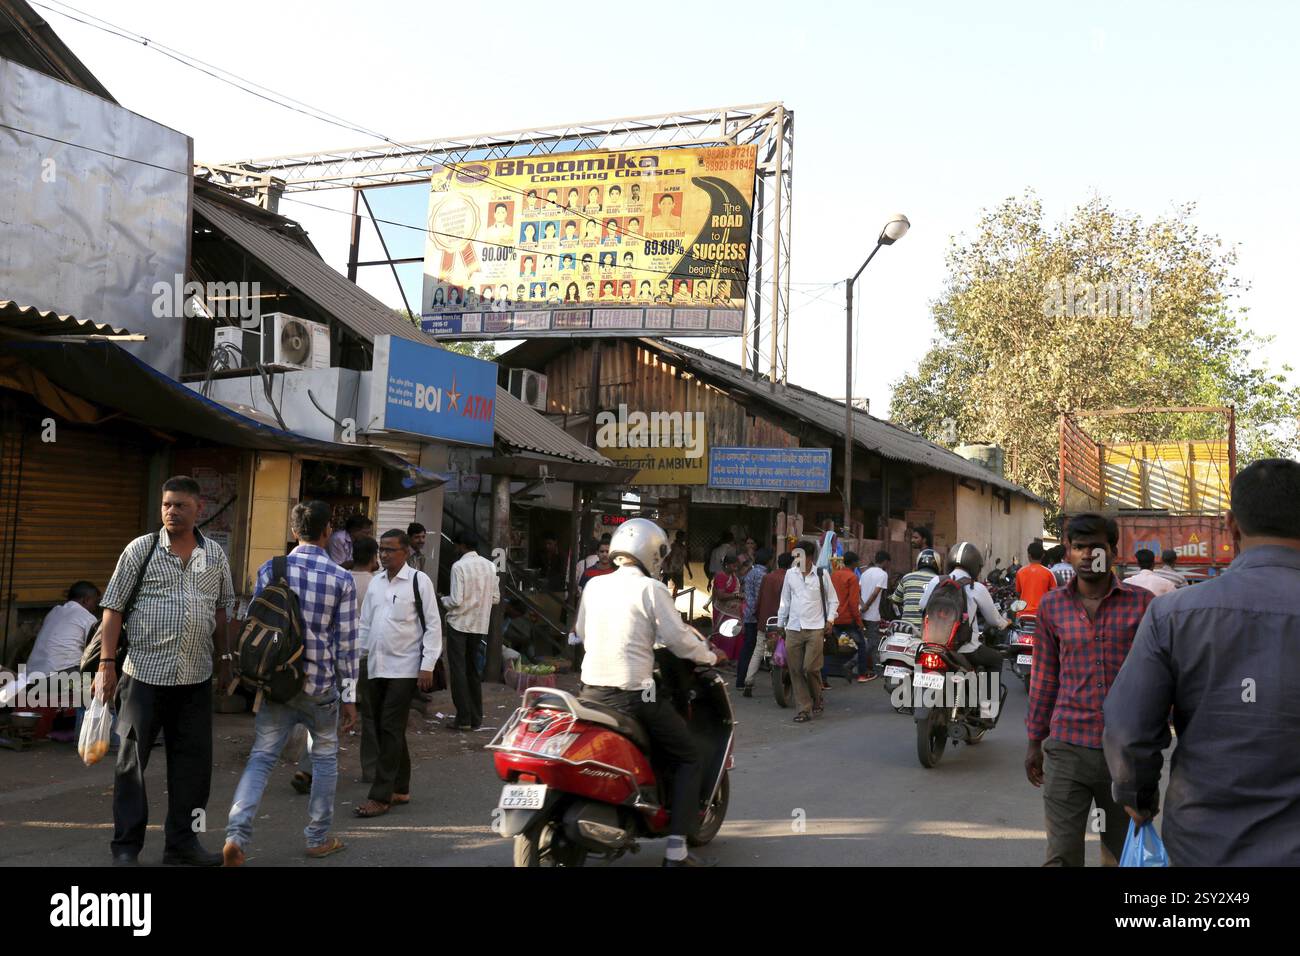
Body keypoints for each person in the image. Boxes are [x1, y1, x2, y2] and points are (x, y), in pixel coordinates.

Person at [1104, 459, 1300, 865]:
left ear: (1230, 526)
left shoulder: (1174, 614)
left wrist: (1139, 796)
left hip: (1205, 844)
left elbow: (1128, 730)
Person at [97, 476, 236, 866]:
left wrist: (226, 659)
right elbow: (113, 609)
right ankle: (126, 847)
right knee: (131, 768)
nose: (172, 512)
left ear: (199, 509)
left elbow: (223, 609)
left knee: (193, 770)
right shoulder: (140, 550)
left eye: (180, 505)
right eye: (167, 505)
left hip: (195, 680)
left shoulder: (215, 557)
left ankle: (183, 846)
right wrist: (106, 665)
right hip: (143, 678)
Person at [575, 518, 725, 867]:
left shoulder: (595, 586)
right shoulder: (650, 589)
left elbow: (581, 631)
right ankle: (675, 851)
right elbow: (678, 639)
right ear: (651, 552)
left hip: (590, 694)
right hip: (634, 697)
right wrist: (710, 655)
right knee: (689, 756)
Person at [223, 501, 359, 865]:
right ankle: (317, 838)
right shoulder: (341, 578)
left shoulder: (272, 568)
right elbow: (346, 645)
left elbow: (257, 624)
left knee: (262, 758)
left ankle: (237, 833)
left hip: (278, 683)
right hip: (320, 686)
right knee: (325, 757)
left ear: (294, 530)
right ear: (327, 531)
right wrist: (350, 697)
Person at [1023, 513, 1154, 867]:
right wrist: (1035, 741)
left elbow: (1156, 679)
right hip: (1067, 749)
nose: (1086, 554)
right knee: (1061, 856)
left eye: (1095, 546)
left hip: (1124, 756)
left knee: (1119, 856)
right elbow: (1044, 678)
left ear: (1112, 550)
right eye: (1078, 547)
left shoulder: (1142, 605)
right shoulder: (1052, 606)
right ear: (1067, 552)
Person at [353, 530, 441, 818]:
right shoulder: (376, 584)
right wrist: (358, 660)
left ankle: (381, 796)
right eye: (381, 550)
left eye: (390, 550)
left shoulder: (419, 582)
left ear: (405, 552)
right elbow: (365, 625)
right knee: (381, 727)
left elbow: (433, 625)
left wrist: (427, 665)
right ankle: (401, 787)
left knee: (390, 727)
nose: (384, 555)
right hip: (375, 666)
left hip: (404, 668)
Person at [919, 542, 1010, 677]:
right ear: (975, 566)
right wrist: (1006, 623)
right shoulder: (977, 587)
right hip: (966, 649)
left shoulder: (936, 581)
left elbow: (922, 605)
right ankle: (990, 698)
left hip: (933, 646)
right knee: (996, 659)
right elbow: (994, 620)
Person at [441, 532, 500, 732]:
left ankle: (463, 717)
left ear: (462, 546)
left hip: (459, 623)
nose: (455, 549)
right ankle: (476, 717)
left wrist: (442, 600)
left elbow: (456, 600)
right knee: (473, 670)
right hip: (479, 624)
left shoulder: (458, 566)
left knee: (458, 670)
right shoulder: (490, 566)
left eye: (456, 545)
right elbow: (495, 598)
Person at [777, 539, 838, 723]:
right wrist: (780, 623)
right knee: (795, 670)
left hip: (815, 628)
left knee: (810, 668)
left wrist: (830, 619)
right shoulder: (790, 574)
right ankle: (804, 709)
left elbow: (833, 600)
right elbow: (784, 600)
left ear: (810, 557)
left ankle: (817, 697)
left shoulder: (821, 574)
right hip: (793, 627)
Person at [347, 535, 380, 784]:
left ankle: (312, 768)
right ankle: (370, 770)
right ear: (373, 557)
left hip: (340, 656)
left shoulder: (342, 578)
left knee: (333, 712)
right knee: (369, 715)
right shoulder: (377, 584)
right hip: (365, 658)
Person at [752, 552, 793, 691]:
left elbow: (759, 599)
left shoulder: (767, 577)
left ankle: (748, 680)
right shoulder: (789, 579)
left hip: (765, 620)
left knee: (758, 650)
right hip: (782, 623)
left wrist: (758, 615)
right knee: (786, 650)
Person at [830, 552, 870, 685]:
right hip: (847, 619)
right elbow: (853, 603)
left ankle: (823, 680)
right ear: (854, 563)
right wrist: (860, 623)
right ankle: (861, 674)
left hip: (833, 617)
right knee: (862, 645)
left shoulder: (834, 574)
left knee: (827, 647)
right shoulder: (852, 577)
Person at [736, 547, 772, 695]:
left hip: (750, 614)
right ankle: (744, 680)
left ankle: (742, 679)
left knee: (749, 648)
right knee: (753, 649)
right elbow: (759, 597)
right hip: (755, 616)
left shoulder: (751, 572)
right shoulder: (761, 574)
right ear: (769, 560)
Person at [856, 550, 890, 680]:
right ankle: (852, 663)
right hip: (872, 614)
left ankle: (877, 670)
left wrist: (862, 605)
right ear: (885, 561)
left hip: (861, 612)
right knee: (872, 643)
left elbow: (857, 591)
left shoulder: (865, 573)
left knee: (869, 643)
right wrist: (867, 606)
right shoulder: (883, 574)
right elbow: (876, 593)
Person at [889, 549, 941, 629]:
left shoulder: (907, 577)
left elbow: (895, 600)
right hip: (929, 630)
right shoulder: (939, 580)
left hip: (907, 628)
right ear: (938, 564)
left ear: (918, 562)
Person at [1014, 540, 1057, 617]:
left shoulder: (1020, 572)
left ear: (1029, 555)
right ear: (1043, 555)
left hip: (1023, 615)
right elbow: (1054, 595)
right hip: (1043, 615)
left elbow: (1018, 593)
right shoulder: (1049, 573)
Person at [710, 554, 742, 639]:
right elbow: (721, 596)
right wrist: (738, 596)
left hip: (732, 612)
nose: (736, 567)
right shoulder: (721, 576)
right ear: (726, 565)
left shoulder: (733, 576)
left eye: (736, 565)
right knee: (723, 636)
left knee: (732, 636)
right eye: (733, 565)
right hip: (723, 611)